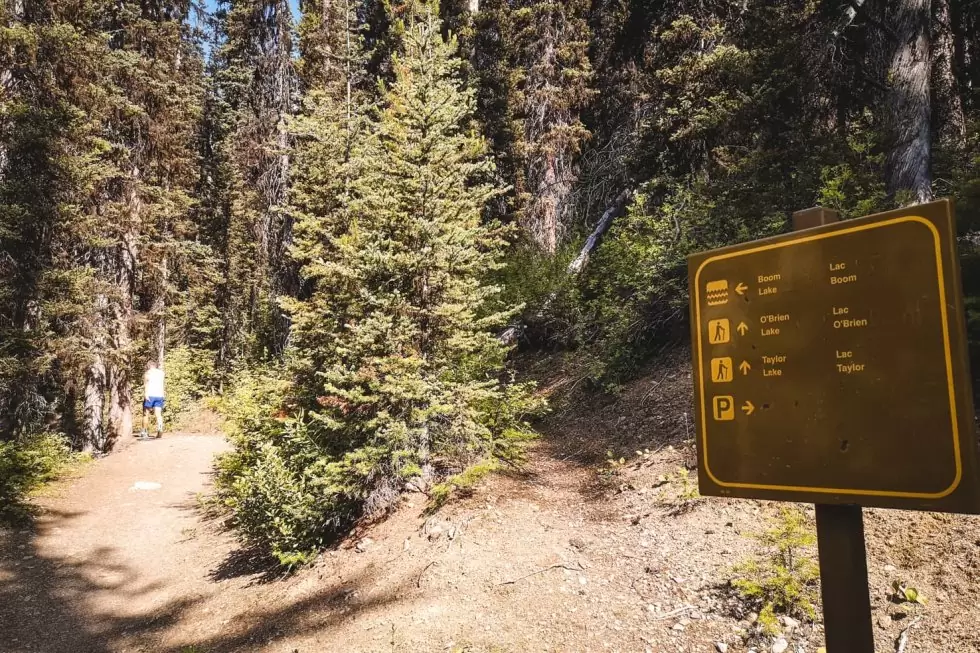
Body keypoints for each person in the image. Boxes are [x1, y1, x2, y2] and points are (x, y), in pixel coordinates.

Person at [141, 361, 165, 440]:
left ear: (149, 366)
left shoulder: (148, 373)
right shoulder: (161, 373)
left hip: (150, 395)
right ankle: (160, 429)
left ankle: (144, 432)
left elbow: (146, 384)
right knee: (158, 414)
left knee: (146, 413)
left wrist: (145, 393)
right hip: (160, 395)